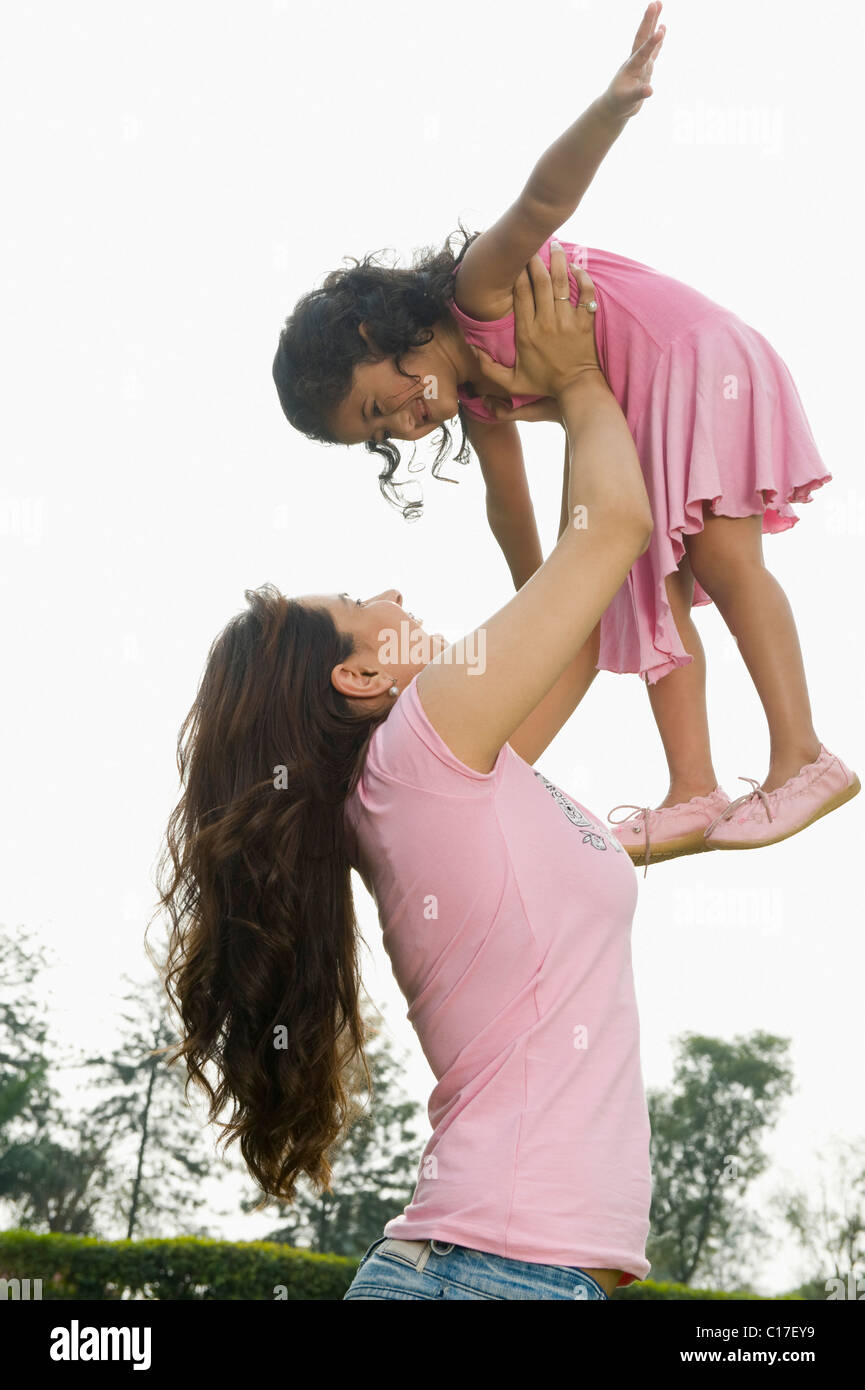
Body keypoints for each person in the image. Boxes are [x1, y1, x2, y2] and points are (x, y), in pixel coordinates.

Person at [157, 250, 656, 1299]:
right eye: (360, 601)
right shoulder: (427, 739)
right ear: (360, 671)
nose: (391, 589)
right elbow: (611, 533)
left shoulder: (426, 769)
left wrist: (503, 454)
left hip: (489, 1271)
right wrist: (573, 383)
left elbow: (578, 633)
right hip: (497, 1272)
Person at [271, 2, 859, 870]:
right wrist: (546, 618)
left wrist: (612, 105)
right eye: (380, 434)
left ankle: (802, 755)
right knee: (638, 591)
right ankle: (693, 787)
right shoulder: (479, 405)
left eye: (378, 404)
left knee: (730, 568)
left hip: (694, 364)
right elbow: (513, 519)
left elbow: (541, 199)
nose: (402, 423)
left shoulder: (477, 295)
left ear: (372, 337)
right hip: (647, 400)